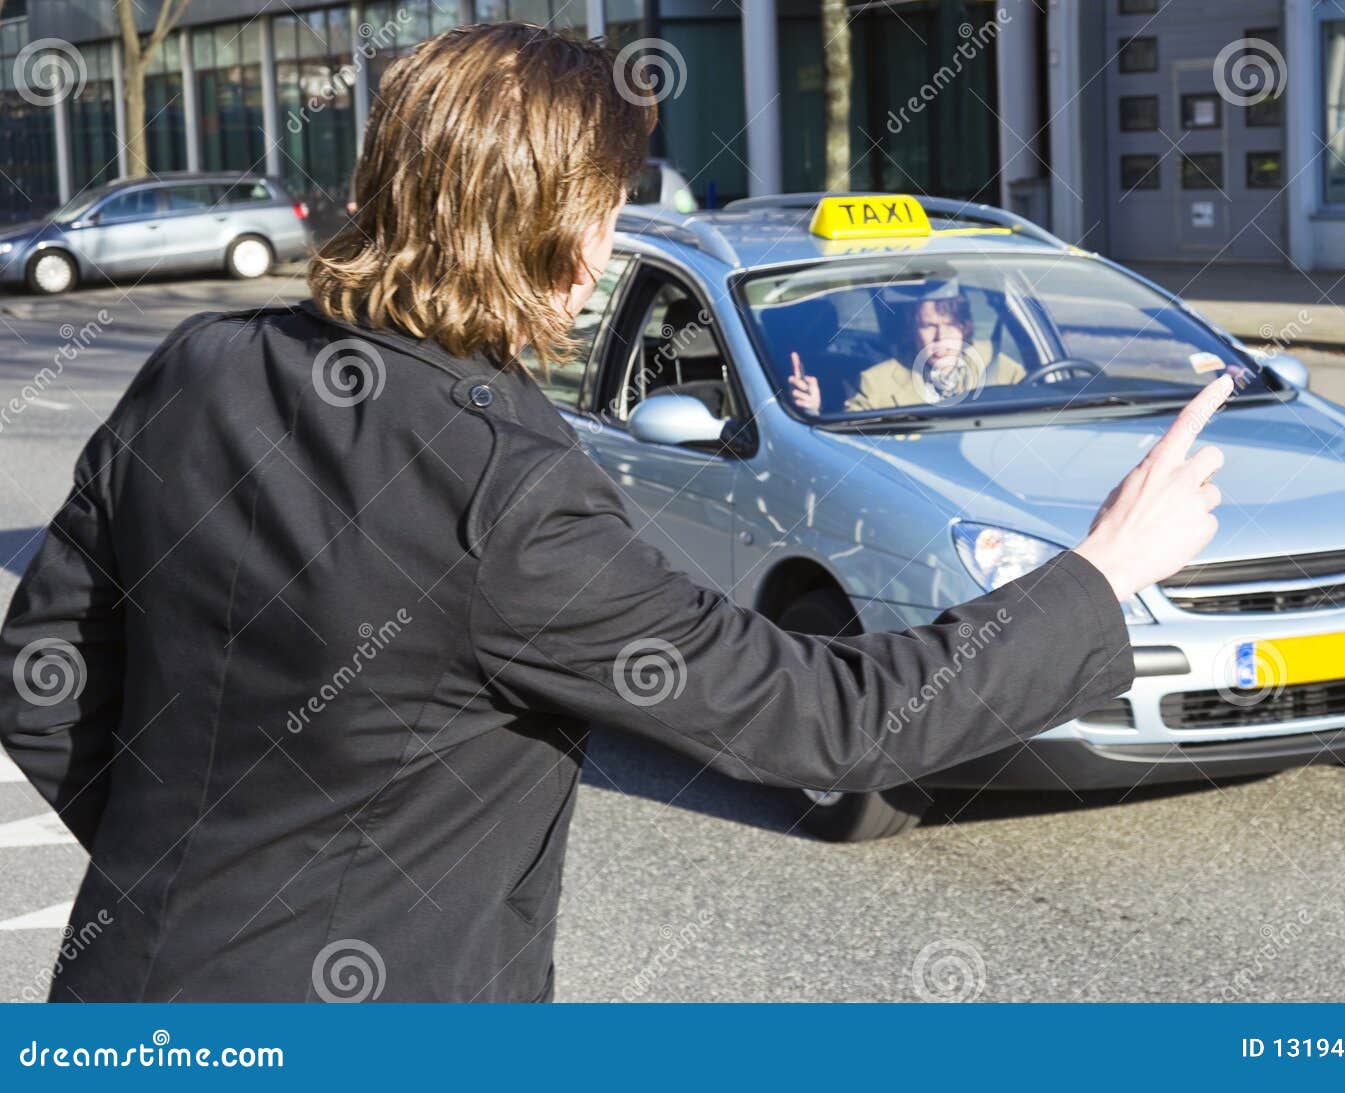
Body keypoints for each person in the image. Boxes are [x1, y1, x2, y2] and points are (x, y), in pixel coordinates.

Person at [0, 24, 1229, 1003]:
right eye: (596, 211)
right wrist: (1102, 570)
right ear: (539, 232)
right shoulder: (506, 494)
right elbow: (829, 721)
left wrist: (192, 886)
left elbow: (40, 681)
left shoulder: (201, 368)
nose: (602, 254)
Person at [788, 290, 1024, 415]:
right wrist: (815, 411)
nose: (941, 338)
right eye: (928, 326)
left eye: (950, 325)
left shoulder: (997, 364)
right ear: (912, 332)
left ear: (964, 328)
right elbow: (849, 445)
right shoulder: (875, 384)